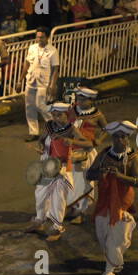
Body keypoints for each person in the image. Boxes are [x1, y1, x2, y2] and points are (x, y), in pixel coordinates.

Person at [86, 120, 138, 275]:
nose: (120, 140)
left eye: (123, 137)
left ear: (128, 138)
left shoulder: (134, 158)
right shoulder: (104, 154)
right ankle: (116, 261)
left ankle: (108, 271)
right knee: (103, 236)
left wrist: (119, 176)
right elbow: (90, 174)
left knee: (115, 239)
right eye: (116, 137)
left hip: (122, 205)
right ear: (112, 139)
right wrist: (101, 173)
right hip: (104, 203)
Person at [27, 102, 91, 240]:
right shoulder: (50, 126)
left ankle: (57, 227)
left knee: (58, 198)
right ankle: (40, 220)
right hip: (47, 166)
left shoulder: (71, 129)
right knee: (40, 194)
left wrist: (71, 141)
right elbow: (42, 139)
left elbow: (88, 144)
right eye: (54, 115)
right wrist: (40, 146)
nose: (56, 118)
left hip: (62, 168)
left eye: (59, 115)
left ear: (66, 115)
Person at [67, 86, 107, 223]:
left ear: (91, 100)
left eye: (83, 99)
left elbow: (105, 129)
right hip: (71, 150)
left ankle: (81, 211)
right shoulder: (72, 111)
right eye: (79, 99)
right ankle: (73, 207)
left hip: (86, 152)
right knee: (70, 180)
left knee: (83, 182)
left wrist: (99, 140)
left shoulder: (97, 115)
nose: (80, 102)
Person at [18, 28, 59, 141]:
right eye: (38, 37)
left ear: (47, 38)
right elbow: (26, 64)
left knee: (41, 105)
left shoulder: (52, 51)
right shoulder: (32, 48)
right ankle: (33, 132)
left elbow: (55, 69)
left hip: (43, 83)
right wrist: (20, 80)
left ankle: (54, 127)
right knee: (29, 107)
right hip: (31, 81)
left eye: (41, 37)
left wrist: (52, 85)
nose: (39, 39)